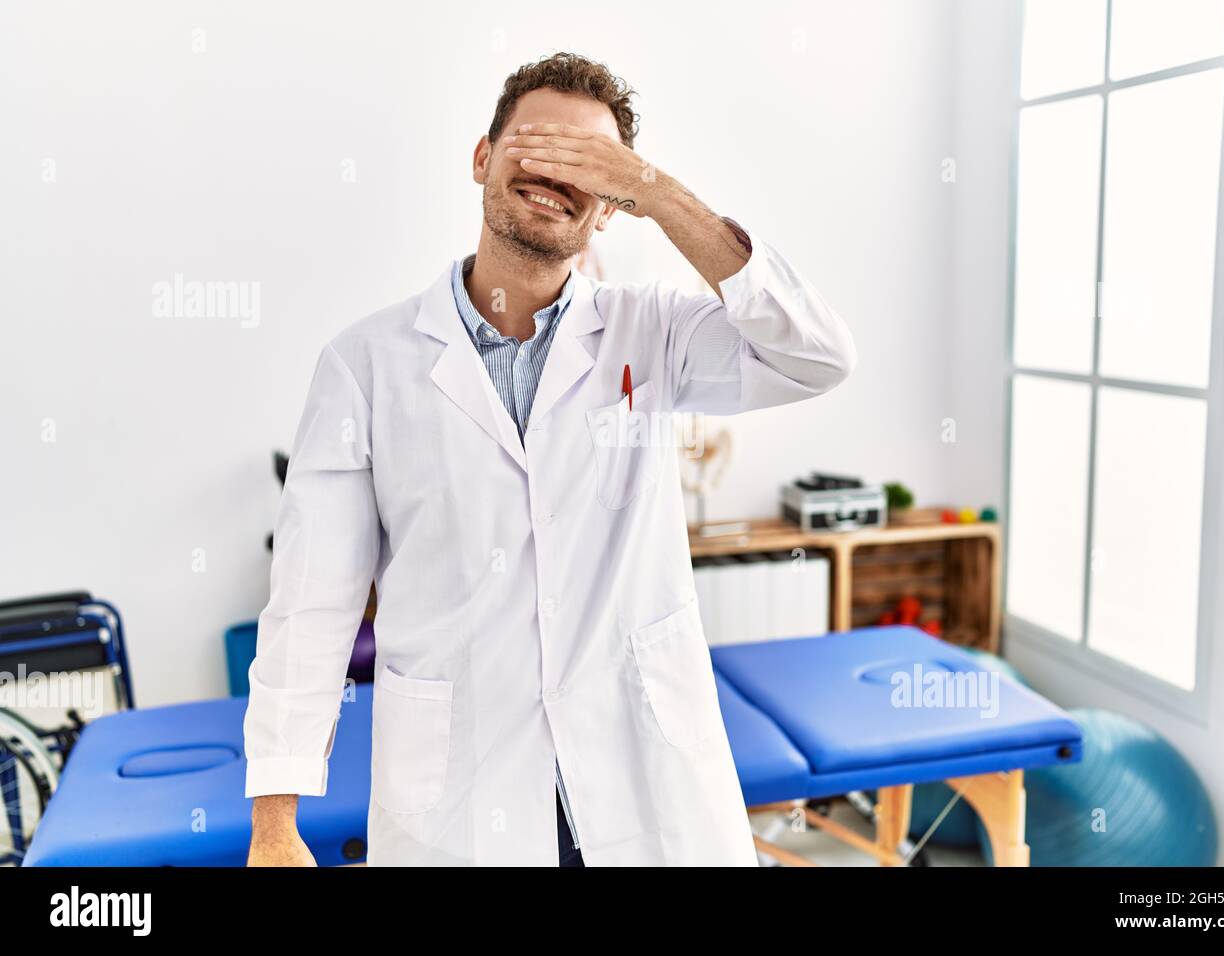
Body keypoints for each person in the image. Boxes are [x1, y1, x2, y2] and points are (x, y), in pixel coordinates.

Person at [244, 52, 856, 867]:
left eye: (592, 167)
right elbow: (310, 604)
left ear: (611, 208)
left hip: (646, 783)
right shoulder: (366, 364)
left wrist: (659, 191)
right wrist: (275, 824)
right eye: (536, 145)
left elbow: (815, 357)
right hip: (461, 798)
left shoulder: (656, 335)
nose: (558, 175)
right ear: (481, 159)